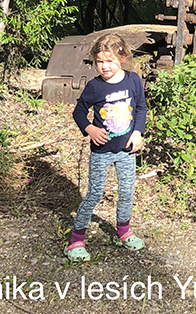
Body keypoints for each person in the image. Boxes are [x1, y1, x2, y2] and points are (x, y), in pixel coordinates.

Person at [65, 33, 147, 262]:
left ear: (122, 58)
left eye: (109, 60)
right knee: (94, 193)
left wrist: (138, 133)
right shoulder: (95, 87)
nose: (104, 66)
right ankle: (76, 241)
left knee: (127, 191)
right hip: (101, 151)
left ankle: (123, 232)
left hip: (126, 150)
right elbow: (79, 112)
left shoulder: (133, 80)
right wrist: (89, 129)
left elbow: (141, 108)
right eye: (99, 61)